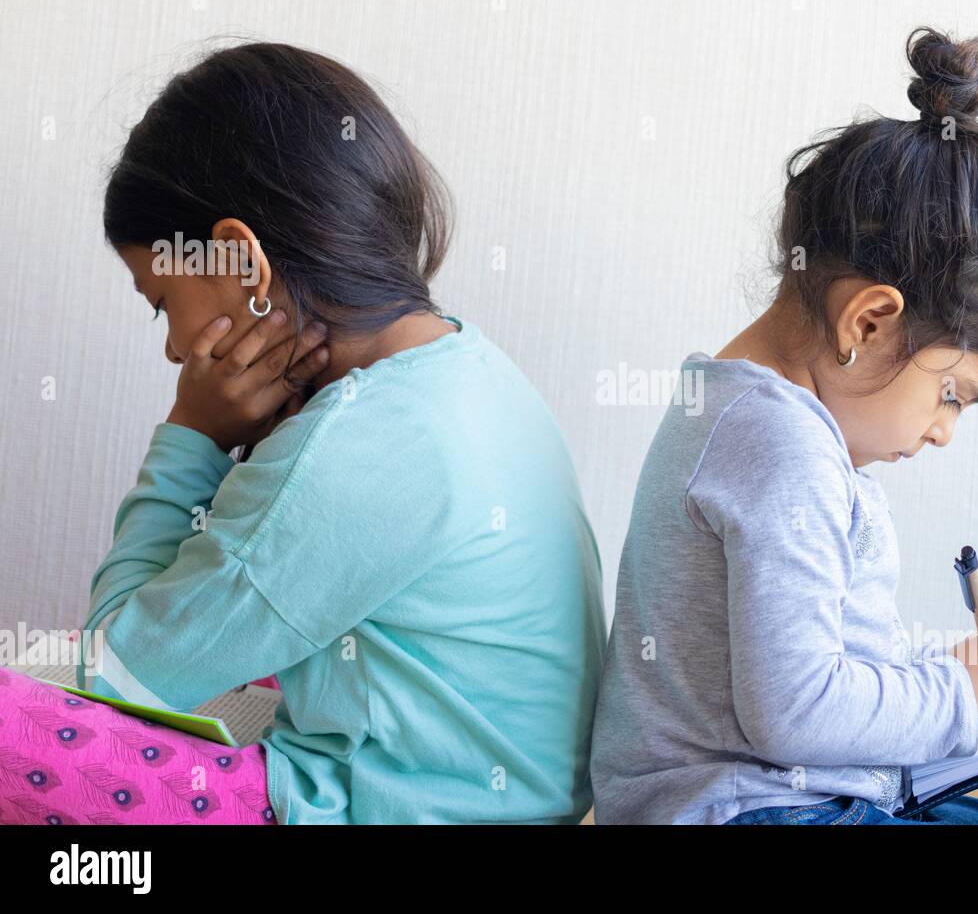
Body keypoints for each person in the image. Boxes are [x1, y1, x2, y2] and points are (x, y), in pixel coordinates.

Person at [0, 42, 606, 825]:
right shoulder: (469, 372)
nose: (173, 348)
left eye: (160, 301)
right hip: (491, 802)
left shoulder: (347, 448)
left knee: (20, 717)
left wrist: (191, 435)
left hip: (377, 811)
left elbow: (105, 679)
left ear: (241, 264)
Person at [589, 26, 978, 825]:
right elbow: (794, 711)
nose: (944, 432)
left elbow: (824, 654)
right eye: (955, 395)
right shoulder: (780, 450)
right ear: (867, 323)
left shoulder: (753, 417)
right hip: (755, 811)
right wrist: (963, 697)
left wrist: (948, 667)